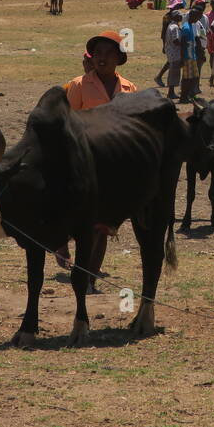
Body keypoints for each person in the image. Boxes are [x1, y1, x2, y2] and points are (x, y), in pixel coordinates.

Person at [62, 31, 139, 280]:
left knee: (104, 225)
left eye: (108, 53)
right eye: (97, 54)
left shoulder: (129, 88)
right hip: (83, 164)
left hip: (115, 167)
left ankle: (90, 273)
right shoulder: (78, 86)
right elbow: (65, 124)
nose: (102, 58)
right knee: (82, 220)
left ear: (119, 58)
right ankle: (62, 243)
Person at [179, 3, 204, 101]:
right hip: (187, 56)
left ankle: (190, 95)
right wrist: (182, 58)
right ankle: (183, 96)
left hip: (192, 55)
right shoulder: (186, 27)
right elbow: (183, 43)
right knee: (187, 78)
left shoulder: (190, 25)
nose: (198, 19)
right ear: (193, 16)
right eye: (197, 17)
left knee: (193, 77)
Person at [161, 9, 183, 99]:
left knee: (173, 72)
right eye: (179, 15)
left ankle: (171, 92)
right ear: (175, 17)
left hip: (172, 52)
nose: (181, 17)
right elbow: (176, 40)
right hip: (175, 53)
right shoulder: (174, 27)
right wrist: (184, 45)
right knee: (174, 73)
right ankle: (171, 92)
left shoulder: (172, 25)